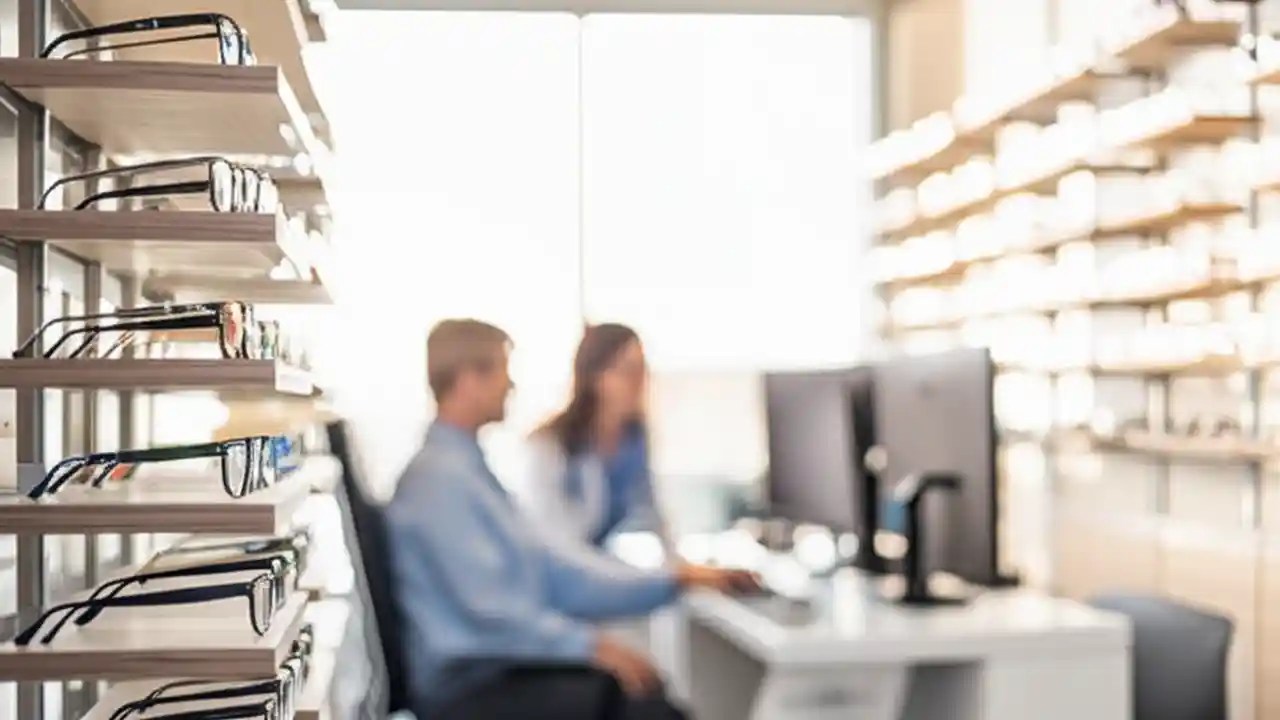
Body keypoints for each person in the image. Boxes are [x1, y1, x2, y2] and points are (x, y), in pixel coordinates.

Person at [388, 319, 755, 720]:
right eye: (501, 371)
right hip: (471, 684)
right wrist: (590, 646)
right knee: (650, 710)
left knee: (651, 695)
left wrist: (674, 579)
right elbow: (490, 609)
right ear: (468, 379)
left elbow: (555, 574)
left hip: (499, 664)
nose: (511, 386)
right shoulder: (439, 481)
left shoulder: (469, 471)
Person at [524, 323, 664, 550]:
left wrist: (682, 571)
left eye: (643, 370)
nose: (639, 383)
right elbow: (555, 540)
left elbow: (651, 513)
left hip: (608, 570)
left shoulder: (633, 439)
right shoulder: (549, 444)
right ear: (595, 378)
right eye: (627, 371)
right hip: (565, 573)